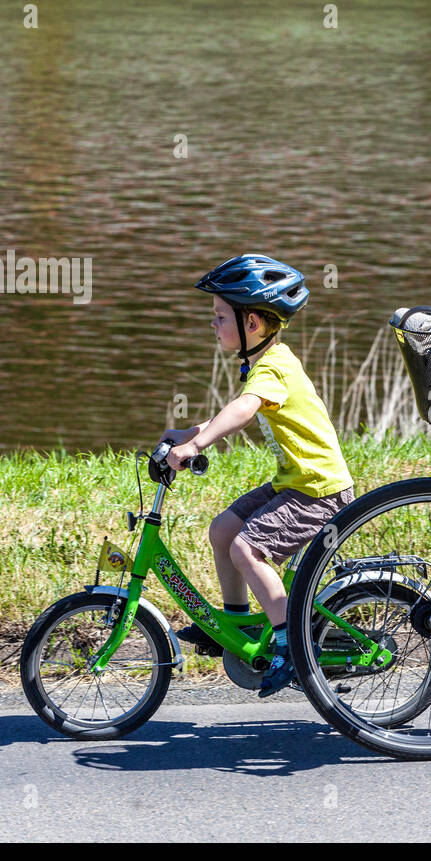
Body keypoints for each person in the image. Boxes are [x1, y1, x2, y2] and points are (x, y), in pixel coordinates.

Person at [159, 254, 354, 697]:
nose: (213, 323)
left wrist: (195, 447)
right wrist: (187, 433)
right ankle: (233, 625)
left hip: (319, 491)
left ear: (252, 323)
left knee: (249, 550)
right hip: (296, 482)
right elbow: (234, 410)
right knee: (224, 530)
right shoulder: (263, 362)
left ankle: (291, 646)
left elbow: (244, 410)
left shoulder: (274, 366)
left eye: (219, 316)